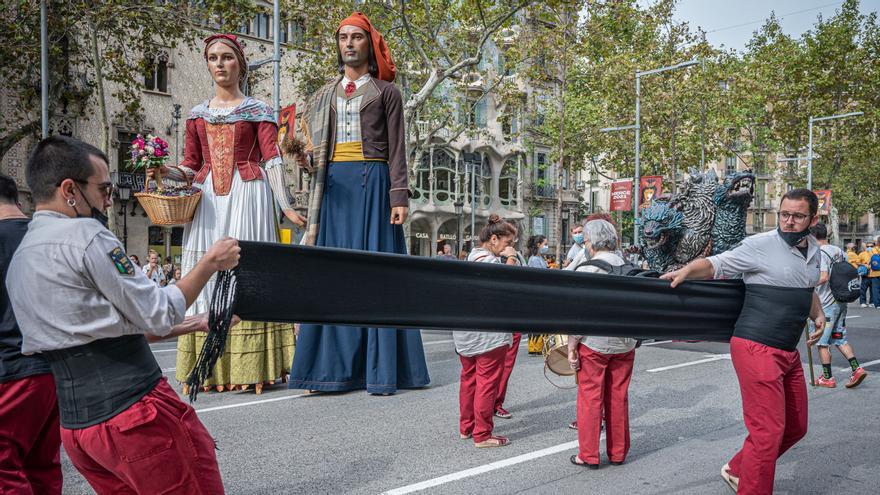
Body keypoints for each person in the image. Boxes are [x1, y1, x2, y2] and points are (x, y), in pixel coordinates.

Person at [6, 136, 240, 494]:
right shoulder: (85, 235)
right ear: (69, 189)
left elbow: (100, 330)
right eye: (103, 189)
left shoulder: (24, 257)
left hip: (79, 430)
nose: (108, 199)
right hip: (135, 415)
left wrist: (198, 321)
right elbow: (158, 313)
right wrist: (209, 263)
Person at [287, 12, 429, 395]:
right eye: (343, 37)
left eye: (356, 37)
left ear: (369, 45)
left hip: (374, 184)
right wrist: (304, 157)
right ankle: (328, 371)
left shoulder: (386, 93)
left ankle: (381, 371)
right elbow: (318, 152)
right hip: (332, 190)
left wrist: (399, 195)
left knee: (376, 275)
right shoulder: (323, 96)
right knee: (332, 275)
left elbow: (399, 148)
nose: (348, 43)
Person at [157, 34, 299, 394]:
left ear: (240, 64)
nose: (219, 64)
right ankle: (209, 368)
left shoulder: (260, 110)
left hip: (248, 193)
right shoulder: (196, 115)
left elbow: (273, 160)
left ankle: (252, 367)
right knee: (206, 268)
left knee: (245, 269)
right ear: (207, 64)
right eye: (213, 58)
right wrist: (162, 172)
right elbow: (191, 166)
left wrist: (284, 205)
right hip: (206, 199)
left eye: (227, 58)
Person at [661, 189, 826, 494]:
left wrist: (818, 314)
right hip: (755, 348)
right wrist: (686, 270)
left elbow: (806, 286)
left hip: (789, 352)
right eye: (785, 214)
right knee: (767, 433)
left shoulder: (814, 249)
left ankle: (738, 469)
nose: (789, 222)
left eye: (798, 216)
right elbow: (715, 265)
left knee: (795, 428)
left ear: (813, 219)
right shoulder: (759, 245)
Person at [0, 174, 62, 494]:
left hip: (10, 369)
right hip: (55, 371)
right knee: (43, 466)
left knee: (4, 467)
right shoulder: (51, 236)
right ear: (18, 201)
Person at [567, 219, 637, 468]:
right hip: (625, 343)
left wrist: (572, 346)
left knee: (590, 398)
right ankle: (618, 452)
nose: (584, 245)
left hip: (594, 342)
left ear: (592, 242)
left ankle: (588, 454)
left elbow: (579, 314)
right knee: (618, 397)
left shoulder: (588, 269)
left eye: (584, 241)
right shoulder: (628, 265)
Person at [454, 215, 517, 448]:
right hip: (488, 334)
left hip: (465, 332)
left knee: (469, 379)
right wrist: (510, 259)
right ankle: (483, 434)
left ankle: (466, 426)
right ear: (493, 239)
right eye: (507, 242)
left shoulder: (470, 258)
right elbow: (506, 286)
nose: (510, 247)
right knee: (487, 382)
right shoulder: (490, 262)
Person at [811, 224, 868, 389]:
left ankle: (827, 378)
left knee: (822, 342)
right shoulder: (839, 250)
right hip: (840, 301)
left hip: (826, 304)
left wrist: (806, 283)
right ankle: (857, 368)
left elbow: (823, 277)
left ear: (813, 237)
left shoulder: (821, 253)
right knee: (839, 338)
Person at [859, 240, 880, 308]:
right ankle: (863, 302)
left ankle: (872, 302)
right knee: (863, 289)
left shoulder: (876, 252)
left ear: (874, 246)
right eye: (868, 246)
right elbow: (858, 262)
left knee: (873, 290)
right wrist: (864, 265)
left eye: (871, 246)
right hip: (866, 274)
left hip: (874, 274)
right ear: (866, 247)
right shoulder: (862, 254)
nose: (869, 247)